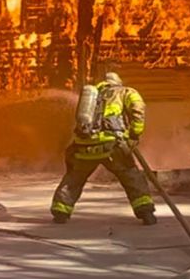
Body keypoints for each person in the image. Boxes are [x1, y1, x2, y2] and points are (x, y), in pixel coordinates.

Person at [50, 72, 158, 225]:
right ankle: (145, 212)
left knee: (73, 179)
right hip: (112, 145)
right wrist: (134, 134)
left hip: (84, 146)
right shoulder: (126, 92)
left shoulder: (92, 96)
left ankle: (60, 211)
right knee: (131, 176)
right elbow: (138, 110)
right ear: (118, 82)